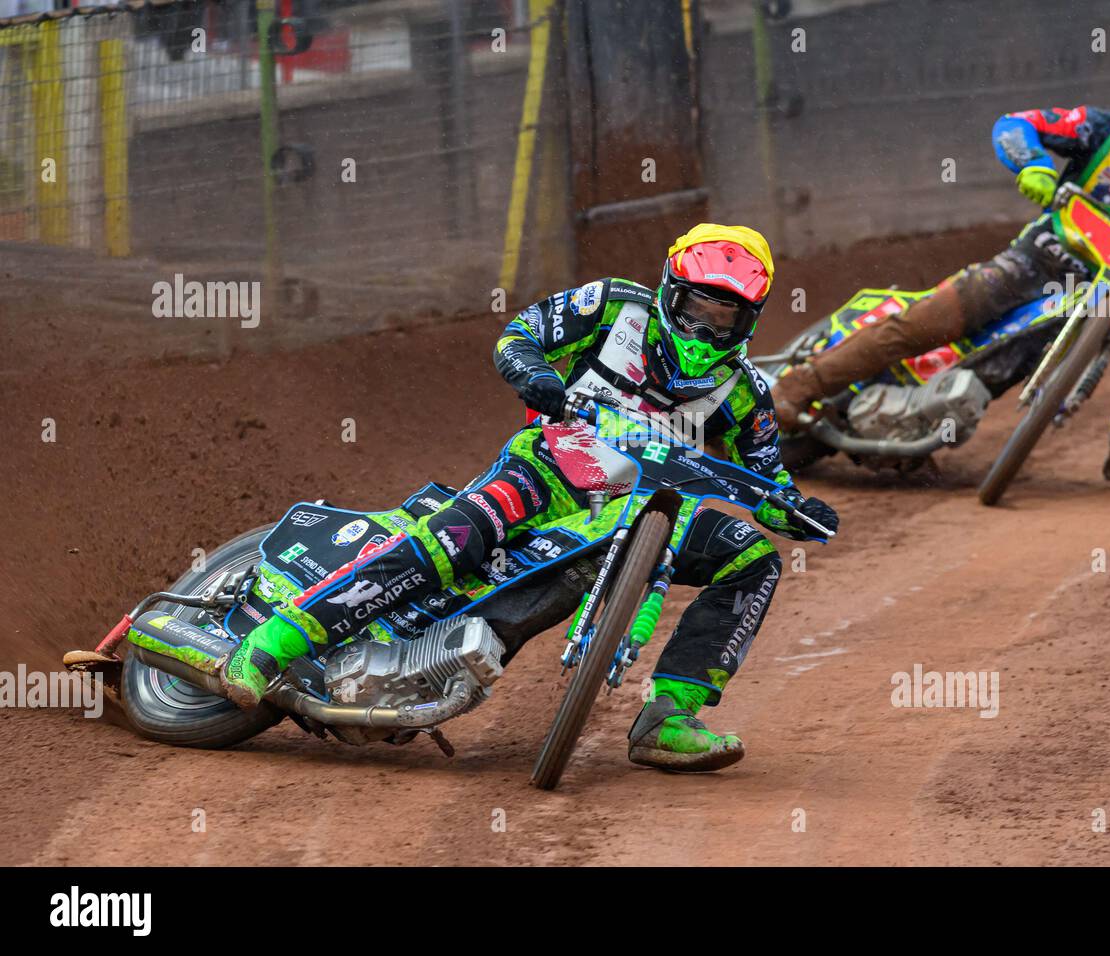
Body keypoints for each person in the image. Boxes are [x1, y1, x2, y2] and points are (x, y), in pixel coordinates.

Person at [221, 224, 839, 772]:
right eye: (699, 306)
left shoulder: (746, 392)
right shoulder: (615, 306)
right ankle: (276, 642)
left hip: (649, 506)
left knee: (751, 560)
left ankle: (669, 716)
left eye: (728, 317)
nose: (708, 326)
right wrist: (538, 378)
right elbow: (519, 336)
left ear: (750, 321)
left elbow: (765, 481)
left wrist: (796, 510)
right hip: (553, 465)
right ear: (670, 292)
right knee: (458, 538)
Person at [772, 46, 1110, 486]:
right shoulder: (1102, 128)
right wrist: (1032, 165)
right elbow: (1016, 124)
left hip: (1106, 293)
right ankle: (797, 388)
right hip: (1033, 260)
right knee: (930, 322)